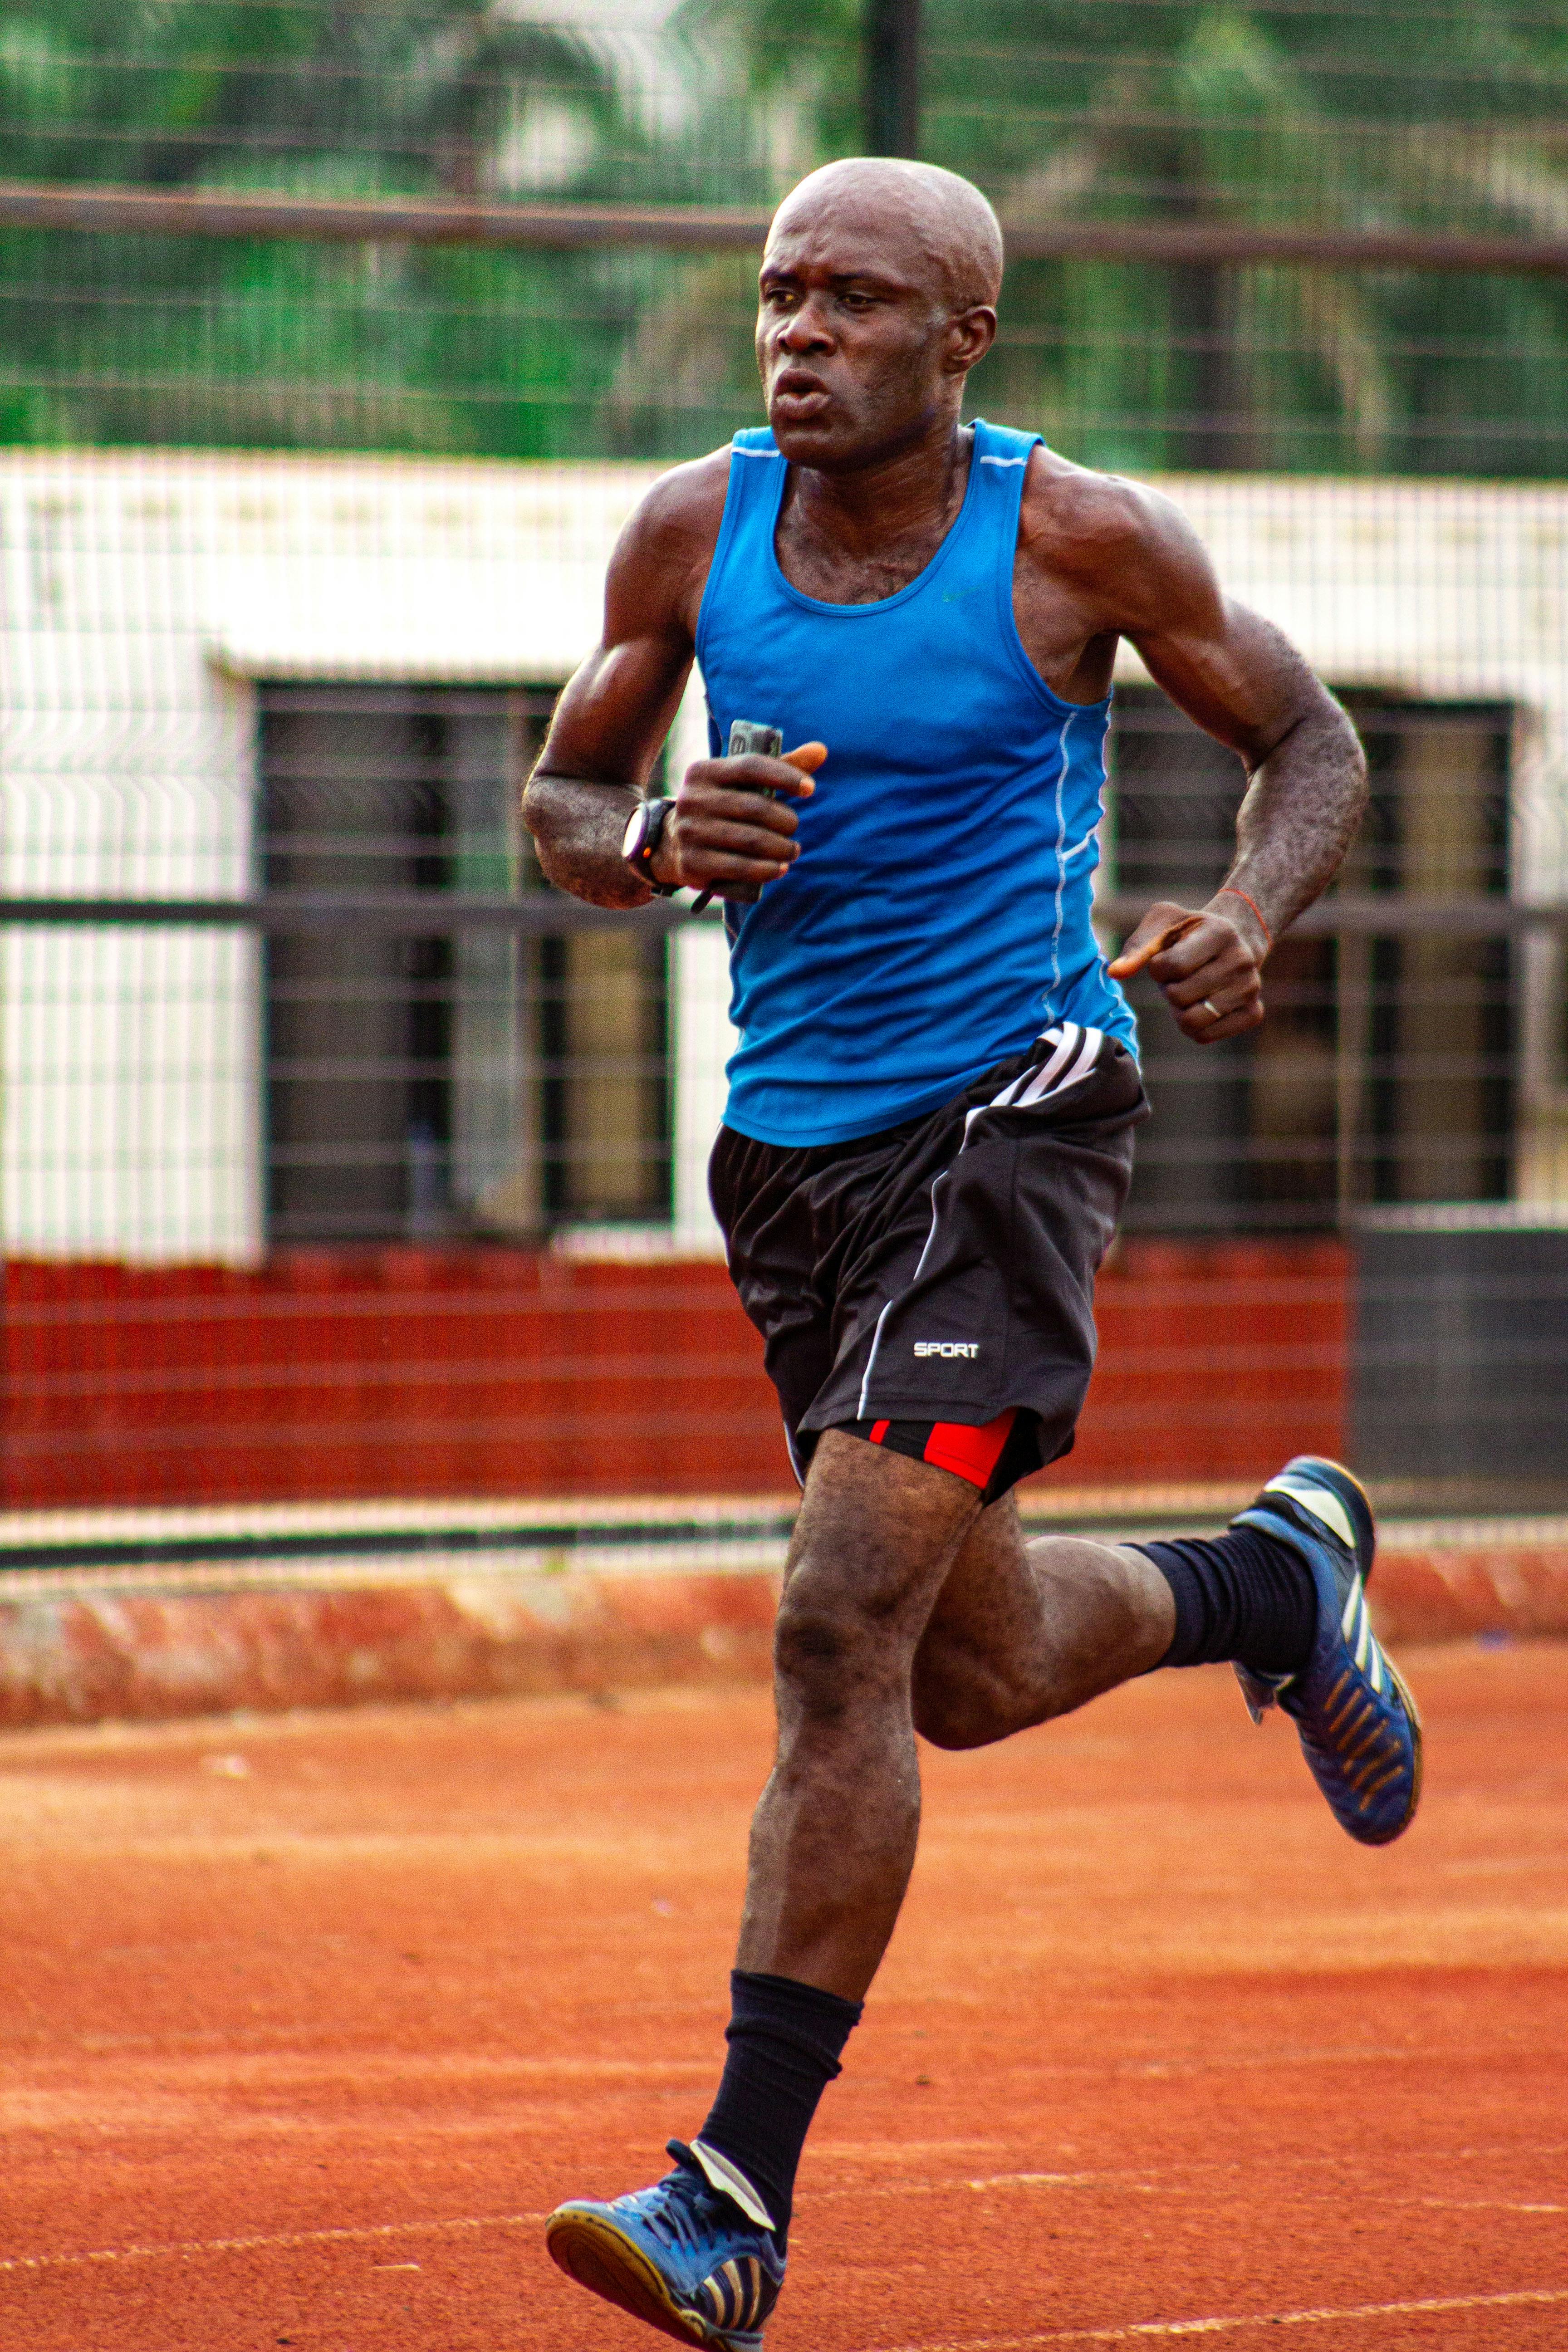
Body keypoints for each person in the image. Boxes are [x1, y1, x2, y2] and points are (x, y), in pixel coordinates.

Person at [524, 156, 1421, 2351]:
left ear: (964, 340)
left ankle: (731, 2194)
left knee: (838, 1626)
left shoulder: (1077, 538)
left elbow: (1309, 740)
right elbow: (557, 797)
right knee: (962, 1664)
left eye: (851, 301)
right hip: (794, 1161)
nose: (799, 335)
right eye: (777, 296)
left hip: (1017, 1114)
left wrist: (1249, 911)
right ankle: (1269, 1582)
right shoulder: (686, 530)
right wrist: (645, 843)